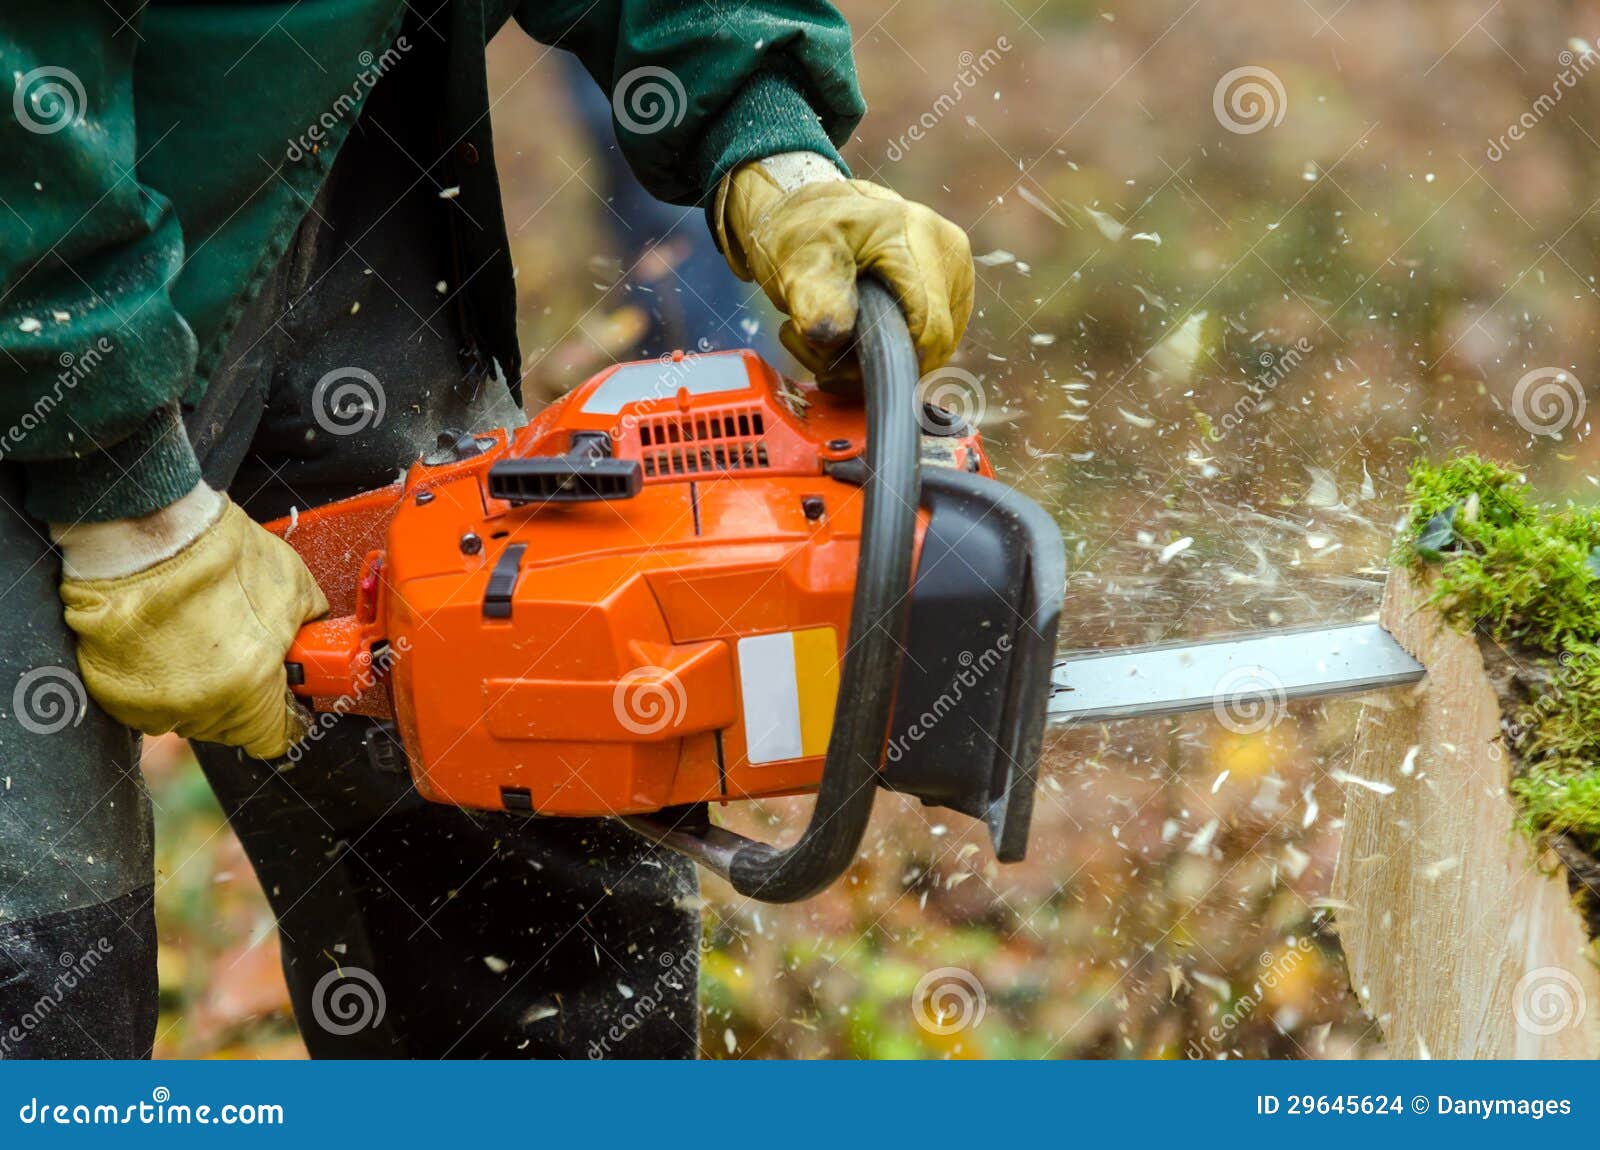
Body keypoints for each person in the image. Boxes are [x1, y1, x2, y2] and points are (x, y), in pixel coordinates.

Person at [0, 1, 973, 1059]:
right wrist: (122, 488)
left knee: (534, 844)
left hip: (338, 167)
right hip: (32, 225)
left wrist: (764, 134)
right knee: (42, 977)